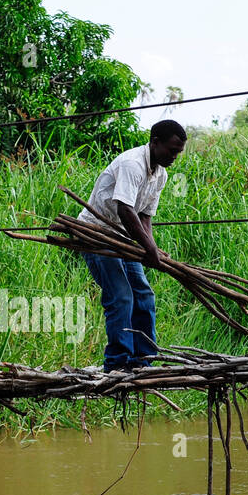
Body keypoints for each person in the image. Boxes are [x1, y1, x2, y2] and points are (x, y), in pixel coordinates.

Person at [79, 119, 185, 371]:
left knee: (144, 295)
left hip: (126, 238)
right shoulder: (132, 164)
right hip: (97, 234)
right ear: (155, 142)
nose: (174, 157)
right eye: (171, 151)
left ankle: (144, 360)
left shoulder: (160, 173)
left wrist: (152, 248)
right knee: (121, 297)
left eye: (178, 152)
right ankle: (118, 364)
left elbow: (144, 216)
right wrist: (149, 249)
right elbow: (125, 209)